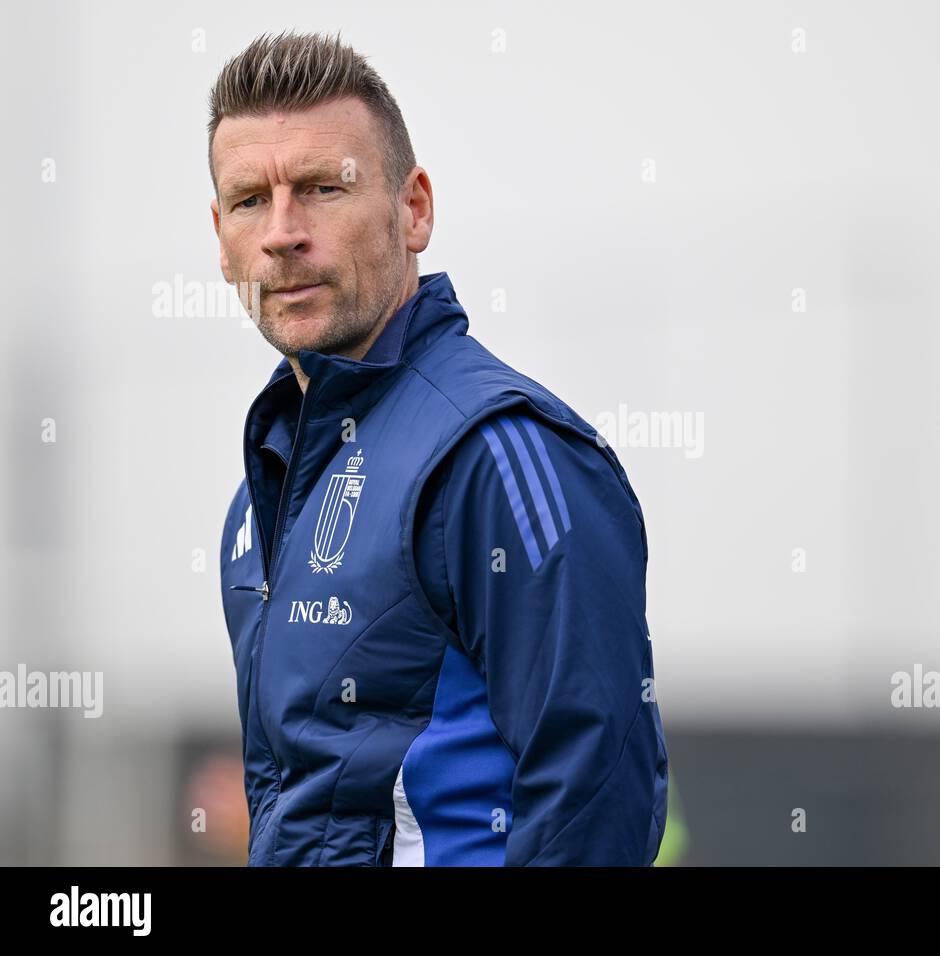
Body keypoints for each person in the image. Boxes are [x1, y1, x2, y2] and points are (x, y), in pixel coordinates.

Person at [209, 30, 668, 866]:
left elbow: (595, 791)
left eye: (321, 188)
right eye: (250, 201)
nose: (282, 233)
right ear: (221, 233)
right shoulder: (263, 492)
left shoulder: (496, 454)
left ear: (413, 208)